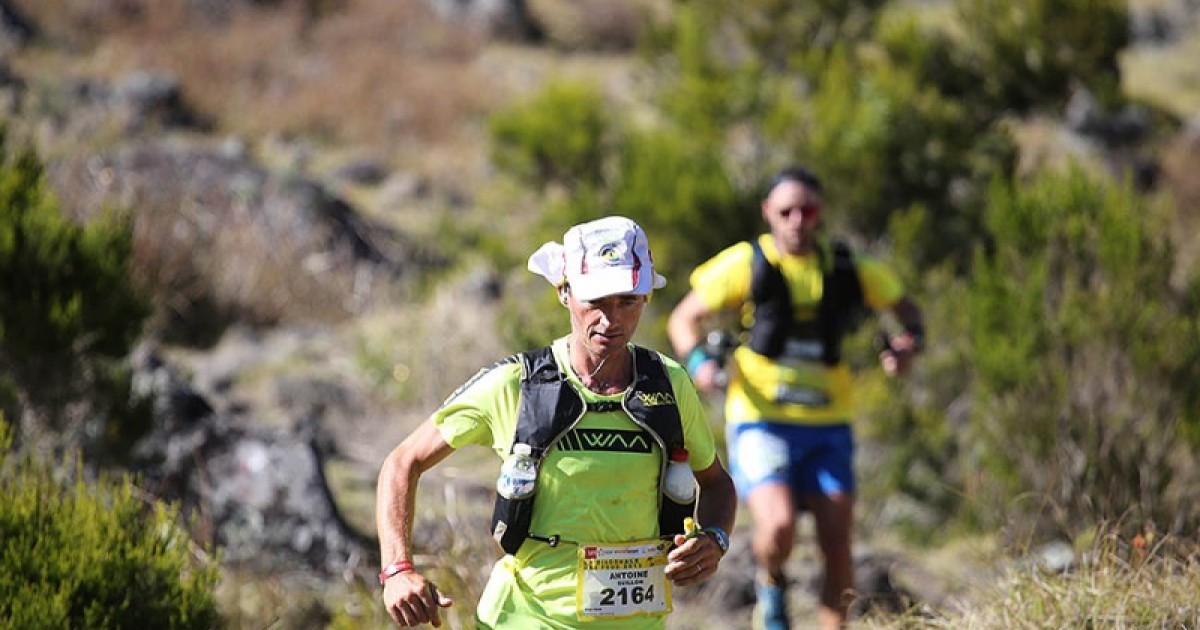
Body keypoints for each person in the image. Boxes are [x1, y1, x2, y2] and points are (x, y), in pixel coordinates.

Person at [377, 215, 738, 629]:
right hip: (524, 619)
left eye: (626, 301)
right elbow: (403, 461)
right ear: (564, 292)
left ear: (646, 298)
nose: (611, 320)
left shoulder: (669, 384)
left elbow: (717, 484)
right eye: (596, 302)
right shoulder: (516, 383)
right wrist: (398, 570)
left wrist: (715, 539)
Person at [667, 166, 924, 630]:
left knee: (838, 539)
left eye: (807, 210)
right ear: (768, 212)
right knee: (778, 526)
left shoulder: (847, 267)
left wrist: (908, 346)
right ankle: (772, 582)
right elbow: (684, 319)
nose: (798, 220)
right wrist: (700, 362)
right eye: (787, 211)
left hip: (829, 424)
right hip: (761, 420)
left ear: (820, 213)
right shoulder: (746, 264)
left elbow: (907, 312)